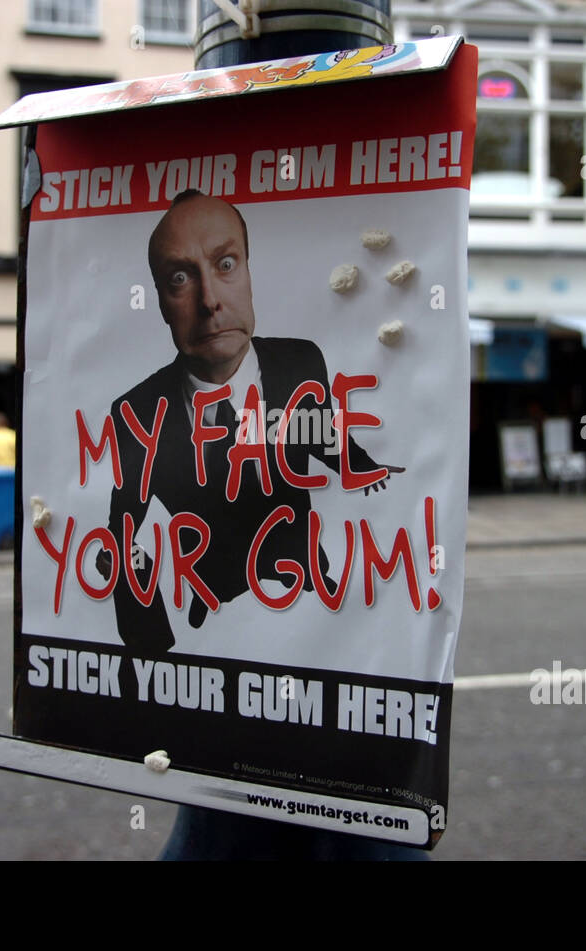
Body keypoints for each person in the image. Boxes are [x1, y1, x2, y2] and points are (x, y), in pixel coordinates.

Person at [100, 190, 403, 654]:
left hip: (309, 600)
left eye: (225, 265)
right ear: (161, 302)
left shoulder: (301, 362)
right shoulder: (136, 415)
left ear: (248, 272)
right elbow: (121, 542)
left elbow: (321, 433)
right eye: (180, 278)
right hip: (211, 622)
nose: (210, 302)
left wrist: (361, 466)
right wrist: (153, 653)